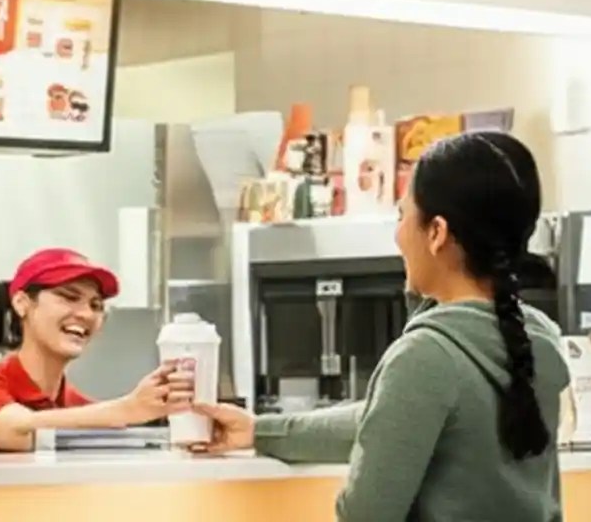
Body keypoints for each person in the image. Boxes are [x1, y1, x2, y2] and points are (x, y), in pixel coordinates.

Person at [196, 131, 570, 522]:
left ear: (437, 233)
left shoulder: (427, 355)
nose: (397, 235)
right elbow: (394, 422)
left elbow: (365, 513)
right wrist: (261, 432)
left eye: (402, 215)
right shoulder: (536, 340)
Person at [0, 248, 193, 453]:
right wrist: (128, 409)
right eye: (68, 297)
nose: (86, 314)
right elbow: (18, 430)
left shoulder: (77, 406)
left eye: (96, 305)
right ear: (22, 304)